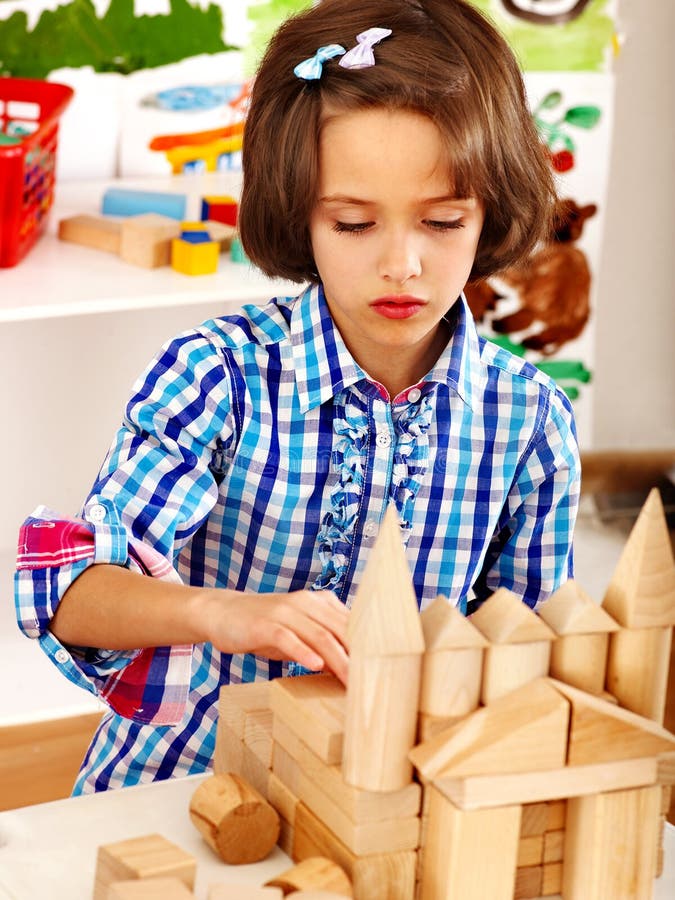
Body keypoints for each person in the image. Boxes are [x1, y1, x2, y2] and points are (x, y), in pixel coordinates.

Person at [15, 0, 580, 794]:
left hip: (387, 796)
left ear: (488, 212)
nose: (402, 265)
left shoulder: (529, 422)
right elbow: (70, 594)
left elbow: (518, 651)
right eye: (352, 224)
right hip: (184, 778)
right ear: (299, 215)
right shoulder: (219, 375)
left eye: (442, 220)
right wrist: (225, 614)